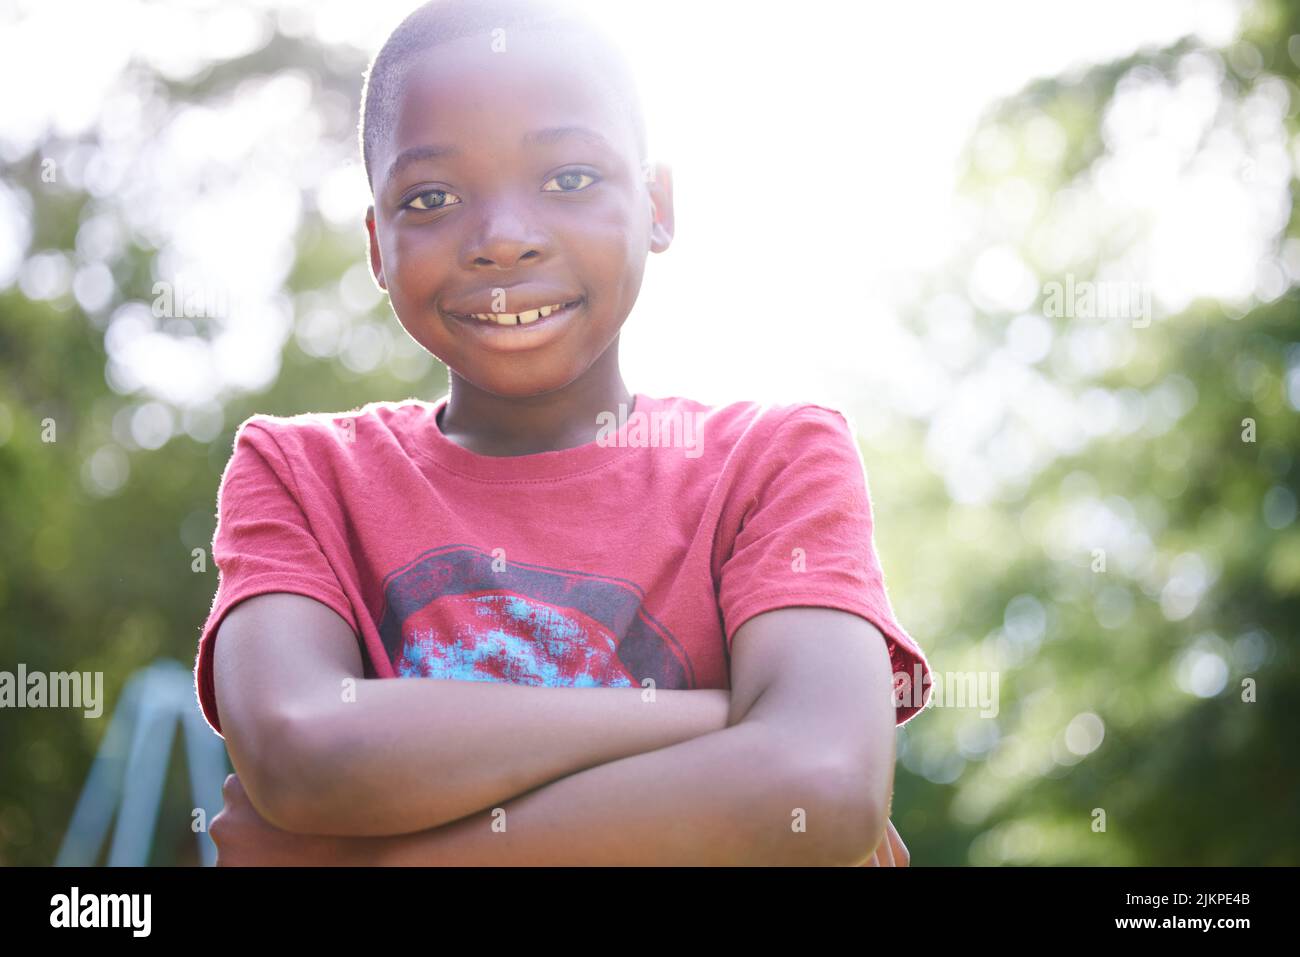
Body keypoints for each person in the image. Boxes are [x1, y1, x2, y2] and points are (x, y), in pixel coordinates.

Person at [197, 0, 931, 866]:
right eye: (432, 197)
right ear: (377, 246)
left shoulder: (774, 462)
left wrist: (365, 859)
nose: (504, 242)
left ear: (657, 205)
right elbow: (300, 746)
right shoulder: (301, 472)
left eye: (570, 178)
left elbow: (821, 785)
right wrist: (733, 722)